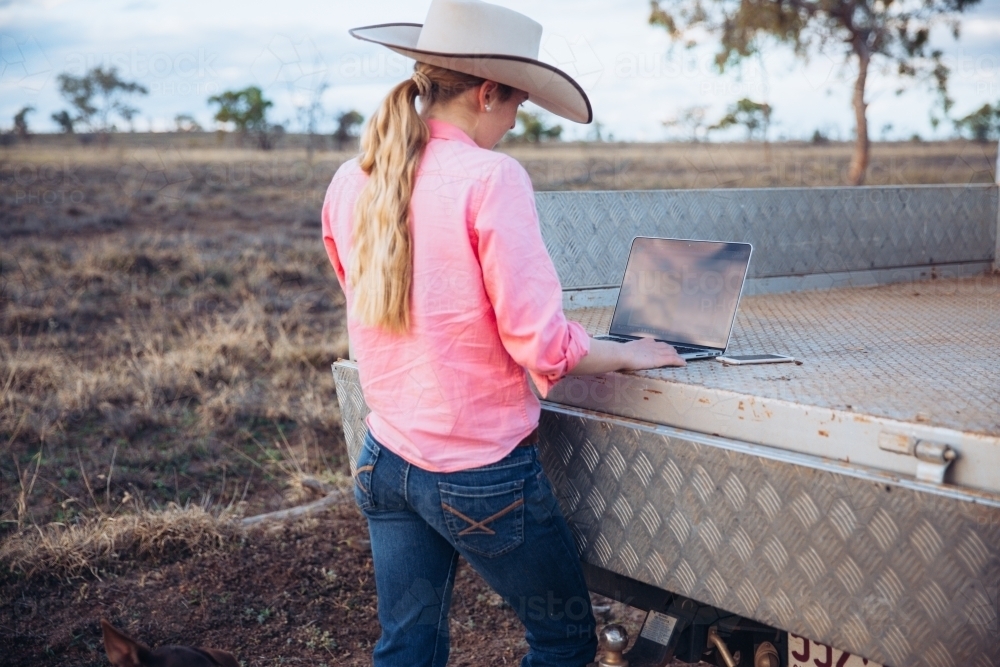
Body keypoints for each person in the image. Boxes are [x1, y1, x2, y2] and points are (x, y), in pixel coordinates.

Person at [321, 1, 685, 665]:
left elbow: (361, 290)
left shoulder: (352, 178)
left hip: (385, 457)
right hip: (479, 475)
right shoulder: (492, 178)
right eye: (516, 102)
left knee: (407, 643)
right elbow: (541, 344)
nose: (517, 119)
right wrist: (628, 353)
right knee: (563, 640)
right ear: (487, 93)